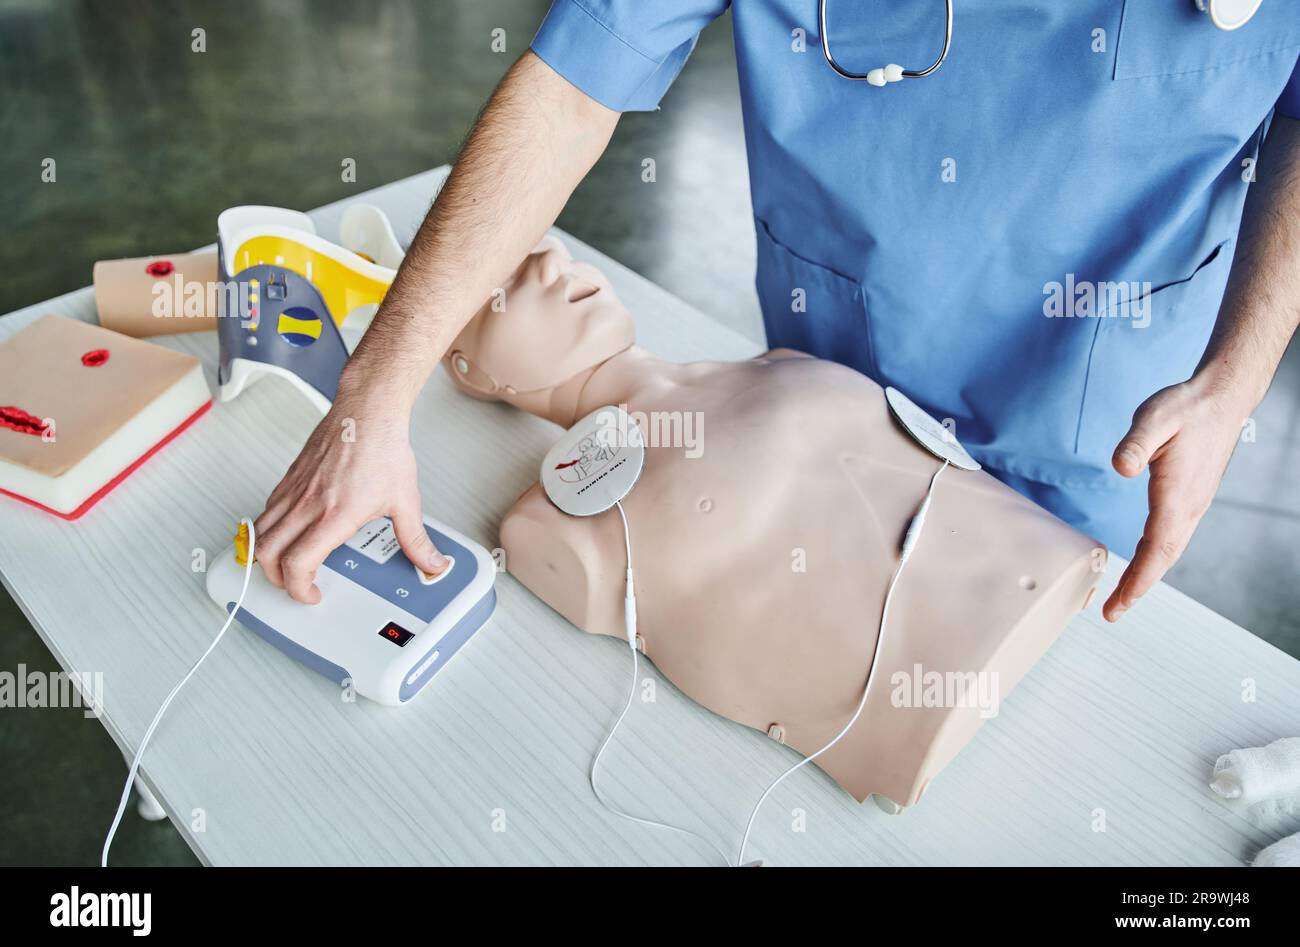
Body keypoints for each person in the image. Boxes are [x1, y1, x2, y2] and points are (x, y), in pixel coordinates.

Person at [253, 1, 1300, 625]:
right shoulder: (682, 465)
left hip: (1107, 411)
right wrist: (373, 392)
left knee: (1022, 658)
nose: (562, 279)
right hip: (838, 366)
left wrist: (1233, 381)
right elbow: (574, 82)